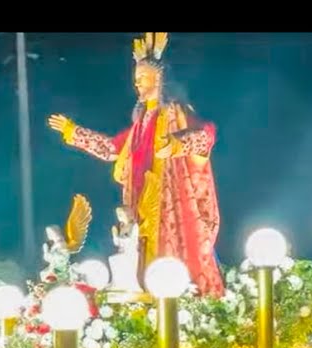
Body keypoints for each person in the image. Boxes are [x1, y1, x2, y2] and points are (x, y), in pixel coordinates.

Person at [48, 32, 223, 296]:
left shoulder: (174, 113)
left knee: (173, 257)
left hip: (168, 203)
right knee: (136, 260)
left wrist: (176, 145)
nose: (137, 84)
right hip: (140, 206)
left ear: (159, 78)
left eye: (142, 78)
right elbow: (109, 149)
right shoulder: (138, 127)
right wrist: (74, 132)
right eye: (135, 80)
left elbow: (206, 136)